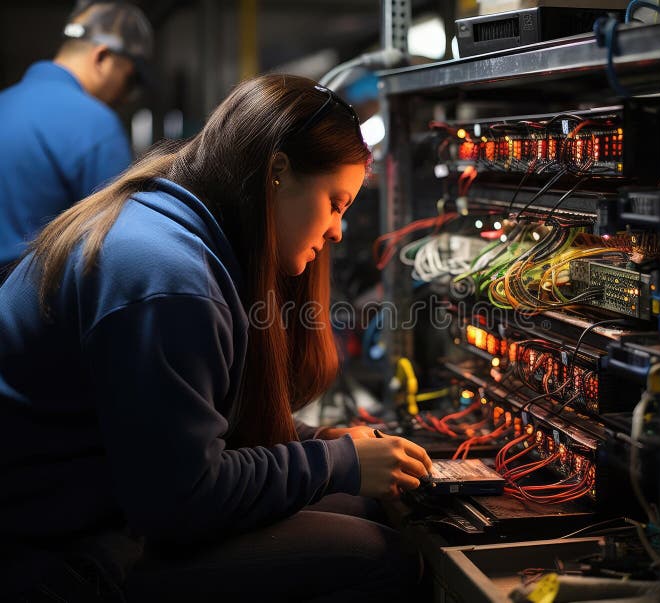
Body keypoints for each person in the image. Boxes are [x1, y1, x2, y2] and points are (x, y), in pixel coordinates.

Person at [0, 74, 433, 602]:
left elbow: (179, 423)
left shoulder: (168, 228)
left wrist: (317, 444)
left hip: (89, 512)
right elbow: (181, 500)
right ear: (277, 172)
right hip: (60, 554)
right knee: (382, 557)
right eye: (336, 203)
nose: (339, 229)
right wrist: (336, 464)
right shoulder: (168, 278)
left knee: (360, 506)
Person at [0, 2, 153, 274]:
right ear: (102, 58)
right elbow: (119, 245)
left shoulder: (5, 103)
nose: (124, 97)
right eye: (129, 80)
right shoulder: (95, 124)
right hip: (40, 306)